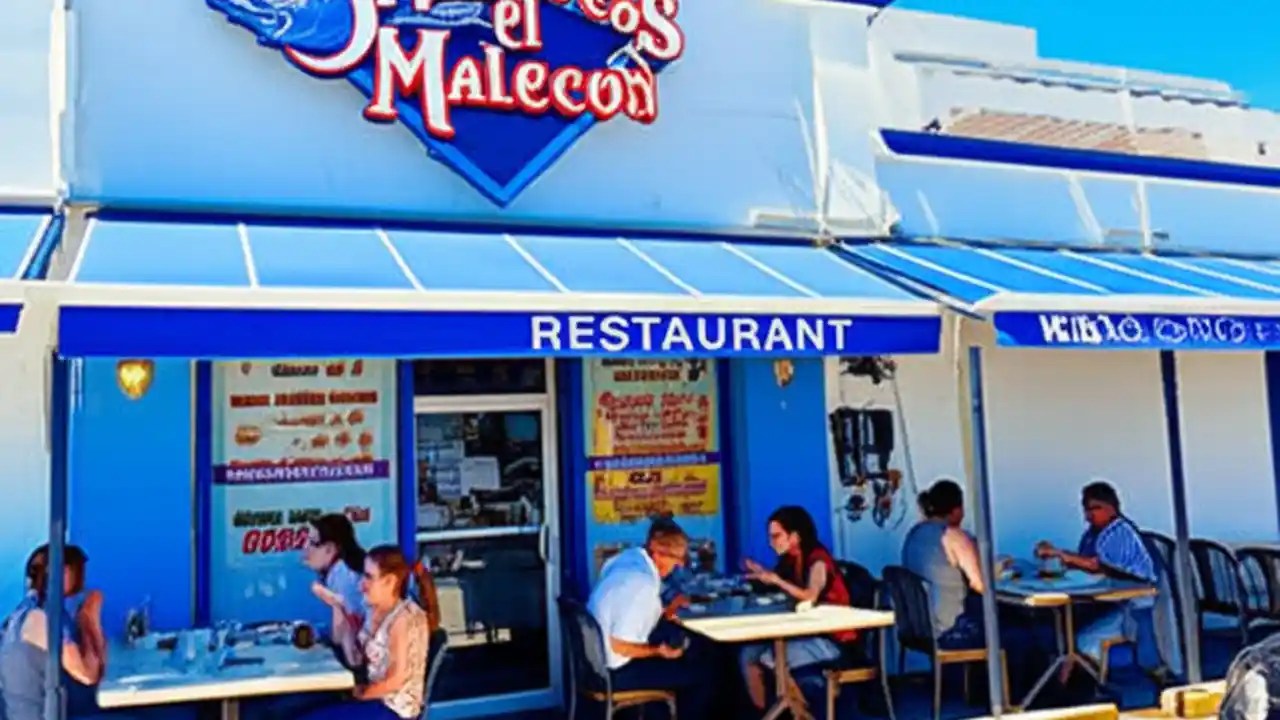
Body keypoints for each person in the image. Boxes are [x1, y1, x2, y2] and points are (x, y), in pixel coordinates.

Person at [586, 518, 713, 718]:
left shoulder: (626, 560)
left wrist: (668, 609)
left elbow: (629, 612)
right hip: (613, 672)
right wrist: (658, 651)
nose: (679, 565)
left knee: (685, 650)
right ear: (657, 554)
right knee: (701, 673)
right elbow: (619, 645)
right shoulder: (641, 584)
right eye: (677, 558)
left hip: (593, 664)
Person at [1036, 480, 1157, 679]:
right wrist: (1057, 559)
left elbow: (1098, 565)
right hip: (1102, 601)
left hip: (1133, 608)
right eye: (1086, 509)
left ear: (1112, 508)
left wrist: (1061, 554)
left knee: (1084, 639)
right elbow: (1083, 564)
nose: (1089, 515)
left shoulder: (1120, 533)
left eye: (1096, 508)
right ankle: (1058, 679)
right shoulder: (1093, 534)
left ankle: (1092, 682)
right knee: (1056, 625)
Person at [300, 546, 437, 720]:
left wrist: (361, 695)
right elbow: (353, 657)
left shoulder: (404, 619)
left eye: (369, 577)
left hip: (394, 709)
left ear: (390, 581)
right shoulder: (373, 610)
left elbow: (397, 679)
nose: (361, 585)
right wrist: (337, 606)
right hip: (373, 698)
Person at [740, 506, 852, 712]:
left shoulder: (818, 559)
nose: (771, 542)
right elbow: (782, 585)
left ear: (795, 536)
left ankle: (802, 713)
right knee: (748, 655)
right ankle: (766, 712)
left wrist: (777, 580)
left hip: (831, 637)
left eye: (776, 536)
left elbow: (810, 595)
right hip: (803, 632)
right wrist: (763, 576)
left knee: (770, 657)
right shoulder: (791, 559)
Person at [0, 544, 107, 720]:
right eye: (79, 572)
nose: (83, 582)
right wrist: (89, 617)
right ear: (62, 573)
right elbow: (88, 673)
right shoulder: (40, 619)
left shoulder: (21, 614)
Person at [902, 479, 987, 649]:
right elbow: (980, 585)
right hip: (954, 629)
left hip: (921, 628)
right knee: (1023, 633)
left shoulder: (914, 534)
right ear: (957, 510)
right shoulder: (954, 536)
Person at [304, 514, 368, 646]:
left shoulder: (342, 575)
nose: (305, 548)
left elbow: (342, 635)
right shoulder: (342, 570)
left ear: (330, 549)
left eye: (312, 543)